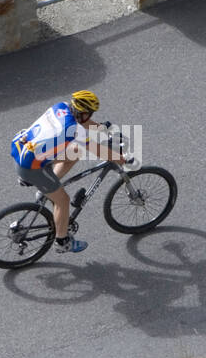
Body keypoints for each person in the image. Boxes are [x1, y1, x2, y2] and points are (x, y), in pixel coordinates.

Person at [10, 89, 132, 254]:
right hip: (31, 166)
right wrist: (122, 159)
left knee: (75, 151)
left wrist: (102, 129)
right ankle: (62, 242)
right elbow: (97, 150)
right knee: (63, 201)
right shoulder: (74, 128)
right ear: (83, 112)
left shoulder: (62, 107)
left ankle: (45, 189)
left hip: (23, 151)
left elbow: (81, 123)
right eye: (89, 113)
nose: (90, 116)